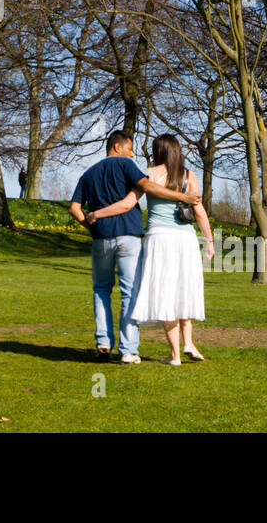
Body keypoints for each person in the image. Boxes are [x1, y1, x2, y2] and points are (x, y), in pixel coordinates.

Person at [68, 130, 202, 364]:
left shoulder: (88, 174)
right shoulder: (126, 166)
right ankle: (128, 350)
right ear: (117, 148)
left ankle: (103, 342)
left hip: (101, 238)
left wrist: (90, 226)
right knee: (129, 292)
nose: (132, 154)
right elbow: (148, 188)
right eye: (129, 149)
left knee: (101, 289)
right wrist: (182, 197)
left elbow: (74, 208)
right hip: (128, 235)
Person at [104, 133, 213, 366]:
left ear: (157, 152)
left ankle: (175, 355)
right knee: (185, 290)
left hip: (159, 238)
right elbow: (200, 211)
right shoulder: (189, 176)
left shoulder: (149, 174)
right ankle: (189, 342)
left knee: (165, 294)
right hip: (185, 238)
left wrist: (99, 214)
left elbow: (128, 203)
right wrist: (210, 241)